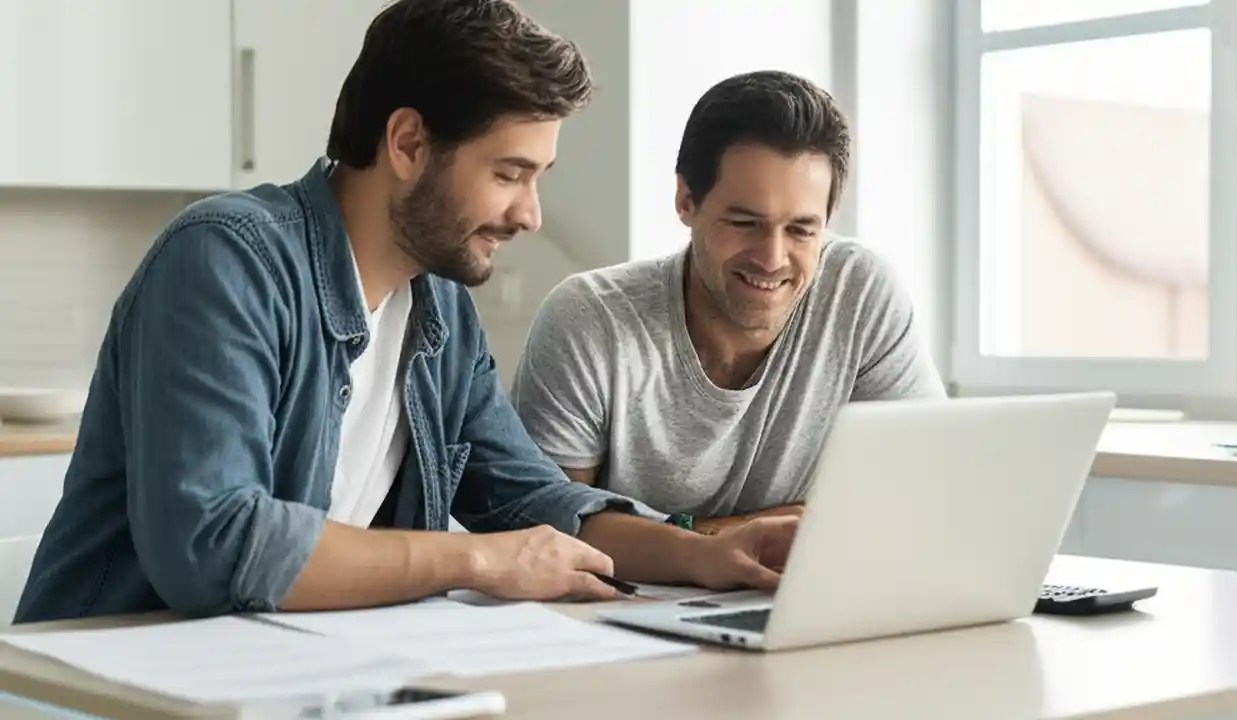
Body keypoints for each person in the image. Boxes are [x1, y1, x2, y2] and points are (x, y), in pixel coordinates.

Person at [14, 0, 796, 624]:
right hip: (106, 689)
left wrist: (702, 554)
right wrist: (476, 559)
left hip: (294, 677)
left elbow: (530, 500)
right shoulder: (228, 259)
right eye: (509, 174)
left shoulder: (439, 308)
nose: (530, 214)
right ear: (409, 144)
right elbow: (212, 543)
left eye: (538, 177)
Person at [511, 71, 946, 536]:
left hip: (813, 582)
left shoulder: (860, 294)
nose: (772, 259)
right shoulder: (589, 321)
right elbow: (546, 534)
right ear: (686, 201)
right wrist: (745, 538)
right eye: (744, 223)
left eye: (801, 230)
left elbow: (925, 491)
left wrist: (712, 536)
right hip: (623, 586)